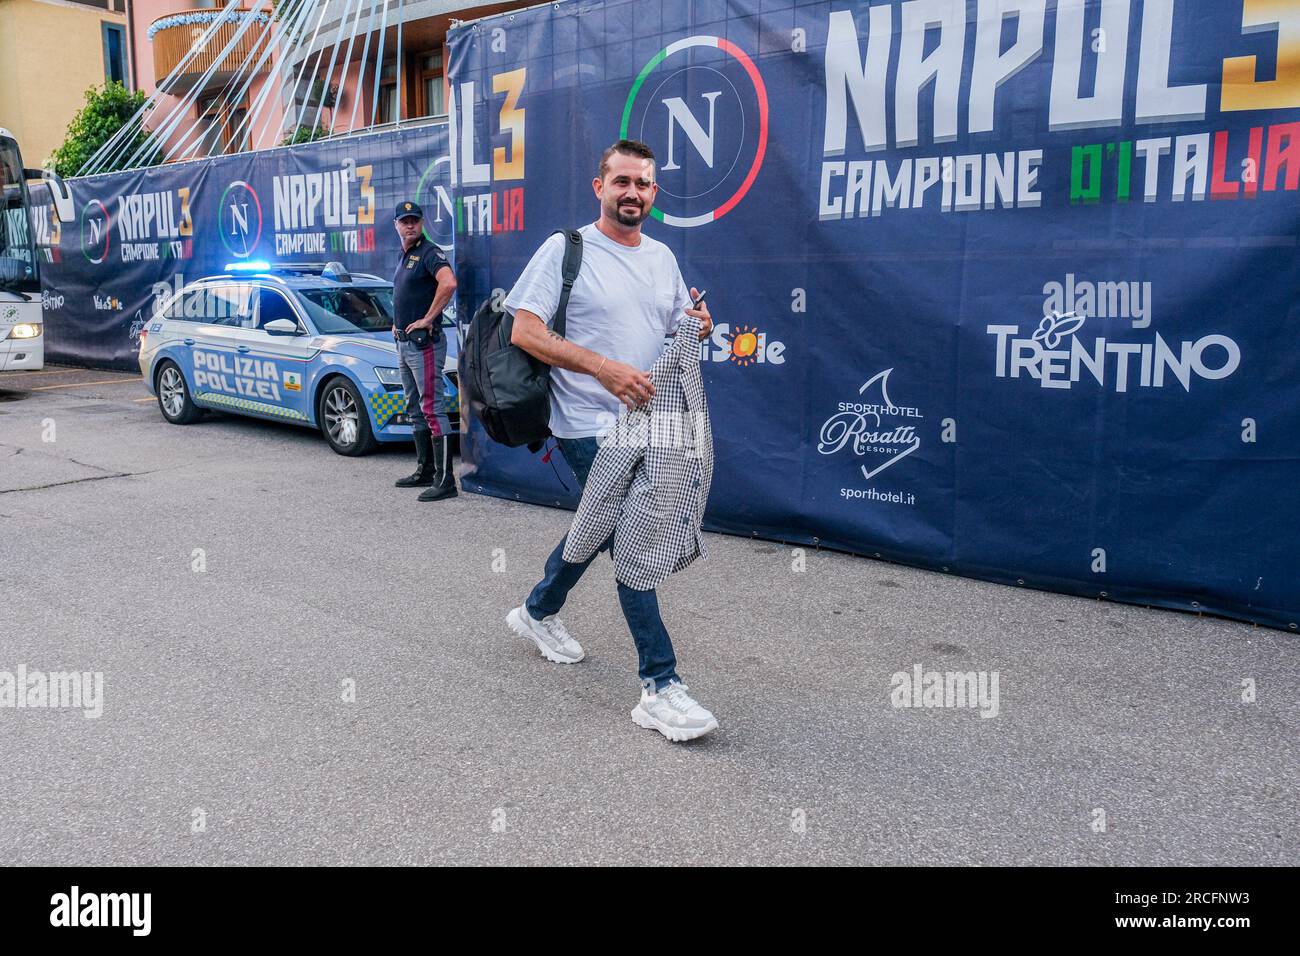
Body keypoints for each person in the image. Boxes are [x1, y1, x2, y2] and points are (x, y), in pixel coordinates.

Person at [502, 139, 719, 742]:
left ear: (654, 193)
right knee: (633, 540)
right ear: (599, 186)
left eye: (643, 184)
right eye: (621, 181)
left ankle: (539, 611)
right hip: (589, 423)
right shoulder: (565, 249)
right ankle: (660, 685)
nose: (633, 193)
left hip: (658, 419)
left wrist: (696, 324)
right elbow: (525, 330)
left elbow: (680, 321)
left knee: (596, 529)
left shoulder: (663, 257)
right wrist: (603, 368)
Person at [390, 201, 459, 501]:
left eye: (414, 220)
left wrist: (428, 319)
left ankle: (446, 481)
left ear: (422, 223)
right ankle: (426, 470)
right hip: (404, 343)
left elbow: (449, 282)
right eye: (404, 221)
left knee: (432, 408)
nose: (410, 225)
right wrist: (397, 324)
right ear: (396, 225)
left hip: (424, 344)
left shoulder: (429, 252)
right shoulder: (406, 255)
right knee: (415, 407)